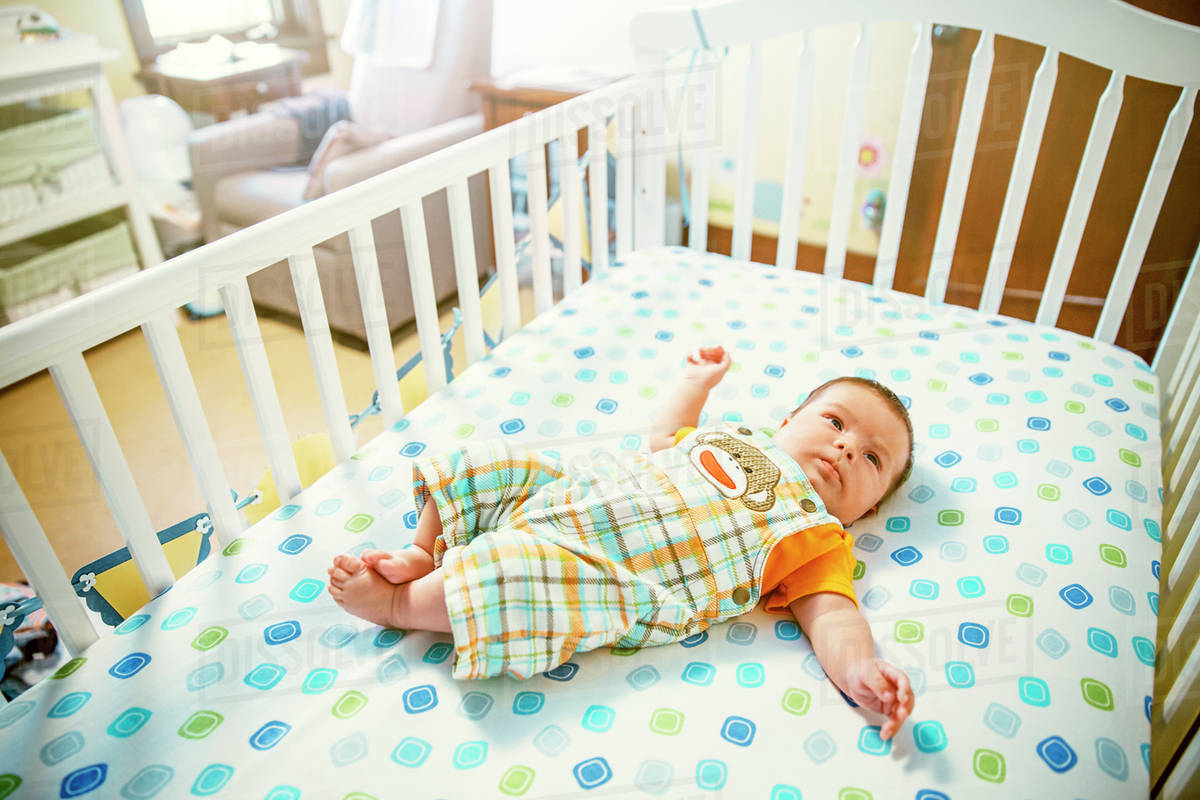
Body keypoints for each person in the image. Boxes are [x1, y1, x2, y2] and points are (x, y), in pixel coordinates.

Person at [328, 345, 916, 739]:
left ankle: (399, 605)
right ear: (788, 419)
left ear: (871, 508)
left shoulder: (817, 538)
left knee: (514, 578)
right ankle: (422, 549)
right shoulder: (735, 436)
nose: (845, 448)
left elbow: (835, 618)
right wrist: (694, 383)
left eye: (872, 457)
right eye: (836, 422)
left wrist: (862, 669)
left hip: (611, 569)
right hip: (586, 490)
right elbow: (664, 437)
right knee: (492, 466)